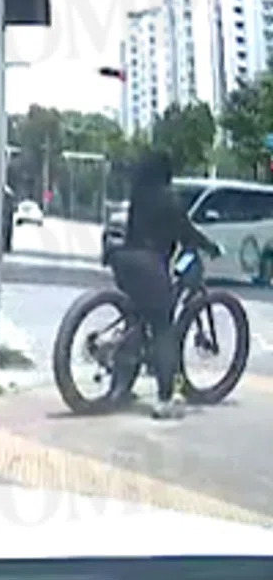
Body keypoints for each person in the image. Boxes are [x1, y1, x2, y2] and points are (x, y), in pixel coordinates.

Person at [109, 149, 218, 420]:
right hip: (149, 264)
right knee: (163, 328)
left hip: (123, 260)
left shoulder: (139, 194)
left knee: (136, 318)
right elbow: (185, 230)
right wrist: (209, 245)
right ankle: (166, 398)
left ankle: (121, 386)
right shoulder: (169, 198)